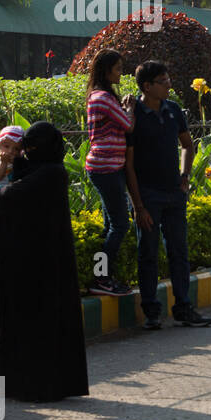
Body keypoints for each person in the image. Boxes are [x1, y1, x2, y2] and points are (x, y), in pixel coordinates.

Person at [0, 121, 89, 402]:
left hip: (42, 262)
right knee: (15, 321)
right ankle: (14, 382)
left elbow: (12, 194)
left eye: (29, 147)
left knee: (38, 323)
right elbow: (5, 180)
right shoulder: (33, 168)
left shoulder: (52, 173)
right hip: (20, 259)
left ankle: (40, 385)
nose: (24, 152)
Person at [125, 61, 211, 330]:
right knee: (148, 253)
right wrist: (138, 205)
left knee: (179, 251)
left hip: (174, 193)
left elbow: (187, 144)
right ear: (147, 86)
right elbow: (127, 163)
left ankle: (183, 307)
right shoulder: (132, 114)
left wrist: (184, 176)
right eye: (163, 81)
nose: (169, 84)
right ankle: (151, 311)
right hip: (147, 196)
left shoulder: (174, 110)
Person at [86, 49, 136, 296]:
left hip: (110, 167)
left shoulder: (102, 96)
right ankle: (101, 278)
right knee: (120, 224)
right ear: (106, 71)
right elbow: (128, 125)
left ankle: (102, 276)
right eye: (117, 68)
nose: (121, 72)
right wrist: (129, 108)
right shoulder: (102, 98)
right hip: (105, 168)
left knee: (110, 226)